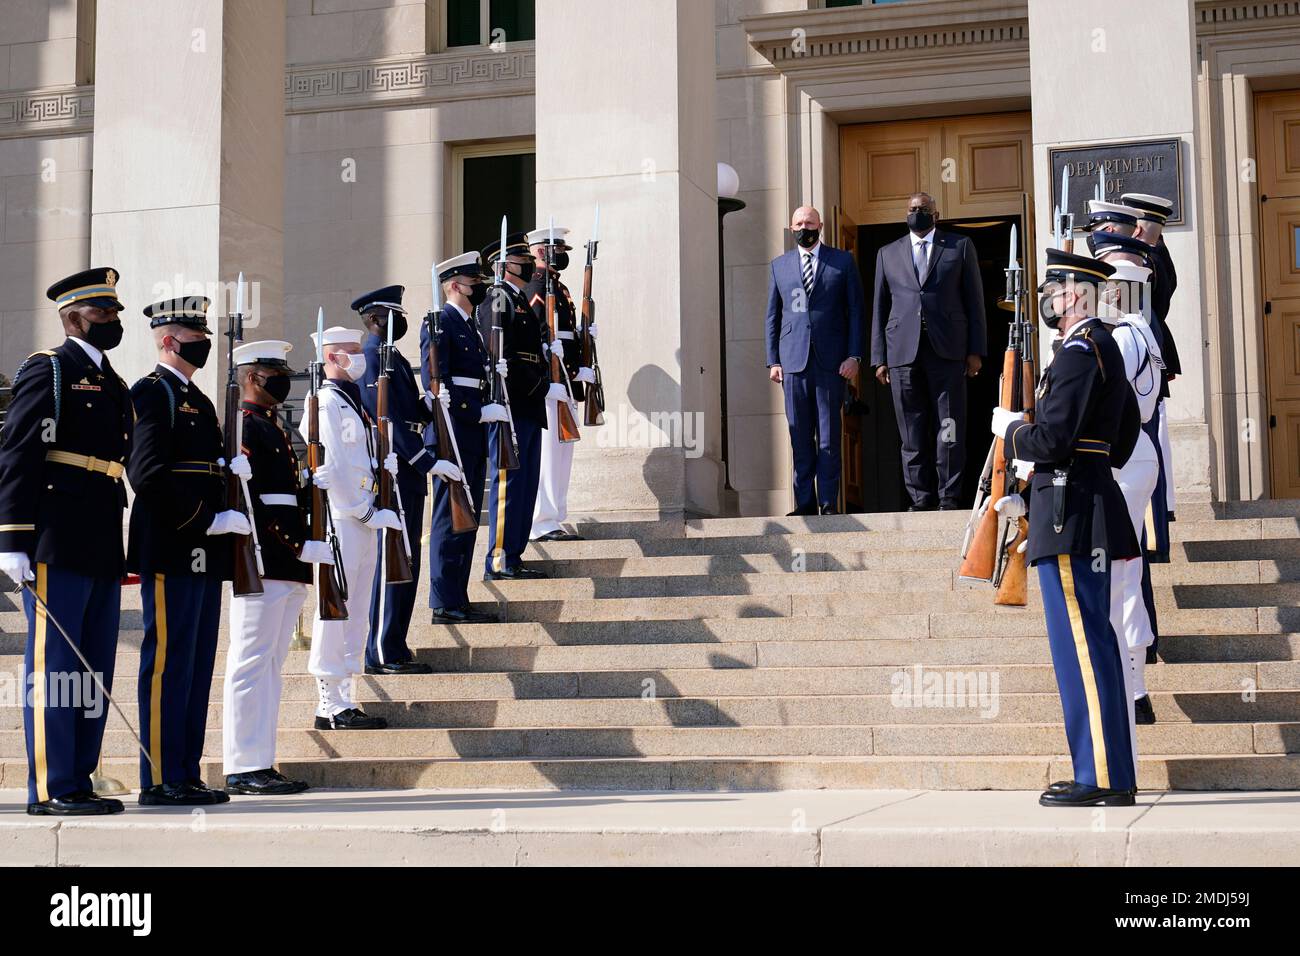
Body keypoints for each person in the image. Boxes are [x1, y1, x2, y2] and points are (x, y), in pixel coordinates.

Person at [991, 249, 1141, 807]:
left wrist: (1012, 433)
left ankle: (1098, 777)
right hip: (1084, 501)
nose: (1050, 301)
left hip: (1071, 514)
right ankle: (1112, 773)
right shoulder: (1106, 349)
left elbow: (1052, 441)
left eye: (1054, 290)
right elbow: (1123, 440)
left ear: (1076, 292)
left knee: (1081, 647)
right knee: (1095, 643)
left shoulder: (1080, 352)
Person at [0, 268, 133, 815]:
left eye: (115, 313)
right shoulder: (50, 370)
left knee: (94, 665)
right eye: (104, 314)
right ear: (75, 316)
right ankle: (52, 787)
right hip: (55, 536)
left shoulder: (112, 381)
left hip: (102, 533)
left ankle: (80, 778)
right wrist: (12, 538)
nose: (113, 321)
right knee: (55, 667)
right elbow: (19, 452)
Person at [128, 295, 244, 806]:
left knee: (196, 665)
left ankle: (186, 770)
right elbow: (147, 474)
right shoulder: (152, 393)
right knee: (168, 664)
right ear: (169, 340)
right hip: (174, 544)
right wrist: (205, 519)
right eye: (194, 337)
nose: (203, 343)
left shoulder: (197, 398)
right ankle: (158, 777)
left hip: (204, 549)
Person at [222, 339, 332, 795]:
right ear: (250, 377)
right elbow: (254, 506)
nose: (280, 379)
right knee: (250, 663)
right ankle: (243, 764)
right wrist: (295, 544)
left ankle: (260, 761)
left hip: (287, 563)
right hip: (266, 560)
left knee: (270, 665)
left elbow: (282, 498)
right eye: (271, 371)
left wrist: (310, 484)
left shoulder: (270, 426)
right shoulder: (245, 426)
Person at [300, 325, 399, 729]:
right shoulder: (325, 402)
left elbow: (359, 456)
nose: (359, 357)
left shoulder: (353, 401)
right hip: (343, 517)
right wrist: (363, 511)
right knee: (335, 610)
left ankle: (345, 696)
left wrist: (383, 466)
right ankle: (328, 702)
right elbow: (334, 465)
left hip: (364, 514)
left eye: (359, 350)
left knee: (357, 610)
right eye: (350, 352)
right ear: (330, 358)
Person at [1091, 230, 1166, 725]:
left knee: (1120, 572)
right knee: (1127, 567)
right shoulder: (1145, 329)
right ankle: (1134, 685)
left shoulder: (1120, 335)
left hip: (1122, 455)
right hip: (1139, 452)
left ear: (1116, 290)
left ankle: (1133, 686)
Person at [870, 192, 986, 511]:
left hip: (948, 352)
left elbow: (974, 302)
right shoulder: (887, 254)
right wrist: (879, 358)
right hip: (902, 354)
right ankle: (920, 498)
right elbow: (880, 308)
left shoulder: (959, 247)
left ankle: (948, 496)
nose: (916, 213)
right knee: (912, 430)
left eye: (922, 209)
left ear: (936, 214)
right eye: (911, 209)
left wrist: (975, 350)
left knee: (948, 427)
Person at [353, 286, 434, 675]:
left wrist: (431, 405)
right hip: (396, 470)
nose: (397, 322)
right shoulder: (371, 357)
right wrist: (420, 457)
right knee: (393, 560)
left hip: (408, 470)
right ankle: (382, 650)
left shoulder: (393, 357)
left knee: (408, 560)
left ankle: (396, 644)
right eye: (390, 316)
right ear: (373, 320)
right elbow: (383, 418)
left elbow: (405, 410)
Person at [765, 206, 865, 515]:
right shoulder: (779, 266)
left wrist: (854, 355)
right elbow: (772, 316)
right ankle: (804, 503)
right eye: (798, 223)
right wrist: (774, 361)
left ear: (820, 225)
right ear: (790, 228)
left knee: (829, 437)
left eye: (809, 222)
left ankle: (827, 502)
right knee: (800, 436)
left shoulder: (842, 261)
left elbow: (856, 311)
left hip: (831, 363)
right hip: (793, 363)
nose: (804, 227)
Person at [422, 252, 505, 623]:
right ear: (454, 285)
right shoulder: (440, 323)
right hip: (453, 432)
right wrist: (476, 411)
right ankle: (443, 600)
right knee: (447, 516)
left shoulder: (469, 324)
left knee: (466, 515)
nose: (480, 288)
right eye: (474, 283)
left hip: (471, 433)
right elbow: (436, 383)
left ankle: (459, 595)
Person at [481, 232, 552, 579]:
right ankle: (500, 557)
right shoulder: (497, 298)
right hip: (512, 402)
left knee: (526, 483)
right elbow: (499, 353)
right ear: (503, 264)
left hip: (528, 404)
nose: (527, 263)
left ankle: (514, 554)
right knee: (509, 482)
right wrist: (535, 382)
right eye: (520, 258)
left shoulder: (518, 300)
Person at [525, 226, 597, 541]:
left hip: (564, 378)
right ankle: (541, 520)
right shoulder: (535, 286)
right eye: (559, 250)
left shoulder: (558, 287)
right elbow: (535, 336)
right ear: (541, 251)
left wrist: (583, 356)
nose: (564, 255)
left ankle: (555, 516)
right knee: (548, 455)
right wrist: (547, 376)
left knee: (562, 453)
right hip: (549, 381)